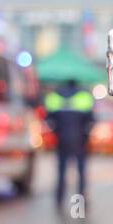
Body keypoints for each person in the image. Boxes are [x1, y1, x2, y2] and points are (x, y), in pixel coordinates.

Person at [43, 79, 95, 211]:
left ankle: (59, 201)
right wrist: (85, 135)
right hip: (80, 142)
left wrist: (57, 132)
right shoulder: (85, 97)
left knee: (61, 173)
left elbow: (48, 120)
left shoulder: (53, 97)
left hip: (61, 141)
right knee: (81, 173)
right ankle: (81, 203)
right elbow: (91, 121)